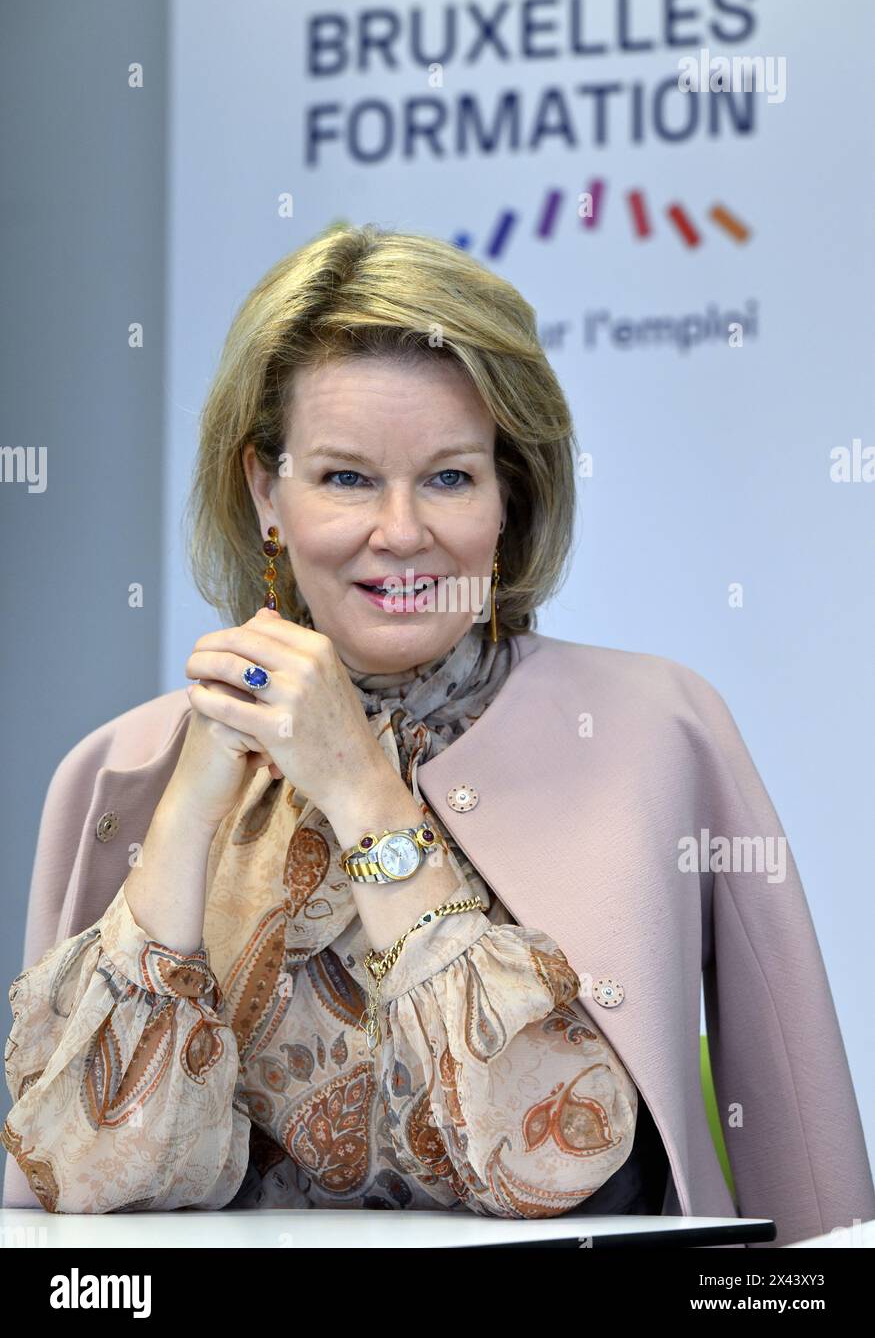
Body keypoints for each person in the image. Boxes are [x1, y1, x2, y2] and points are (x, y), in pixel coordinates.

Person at [3, 225, 872, 1243]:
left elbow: (589, 1162)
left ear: (511, 494)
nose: (402, 530)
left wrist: (359, 786)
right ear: (261, 492)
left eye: (450, 477)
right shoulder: (121, 769)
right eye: (344, 477)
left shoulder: (656, 729)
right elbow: (66, 1187)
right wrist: (193, 803)